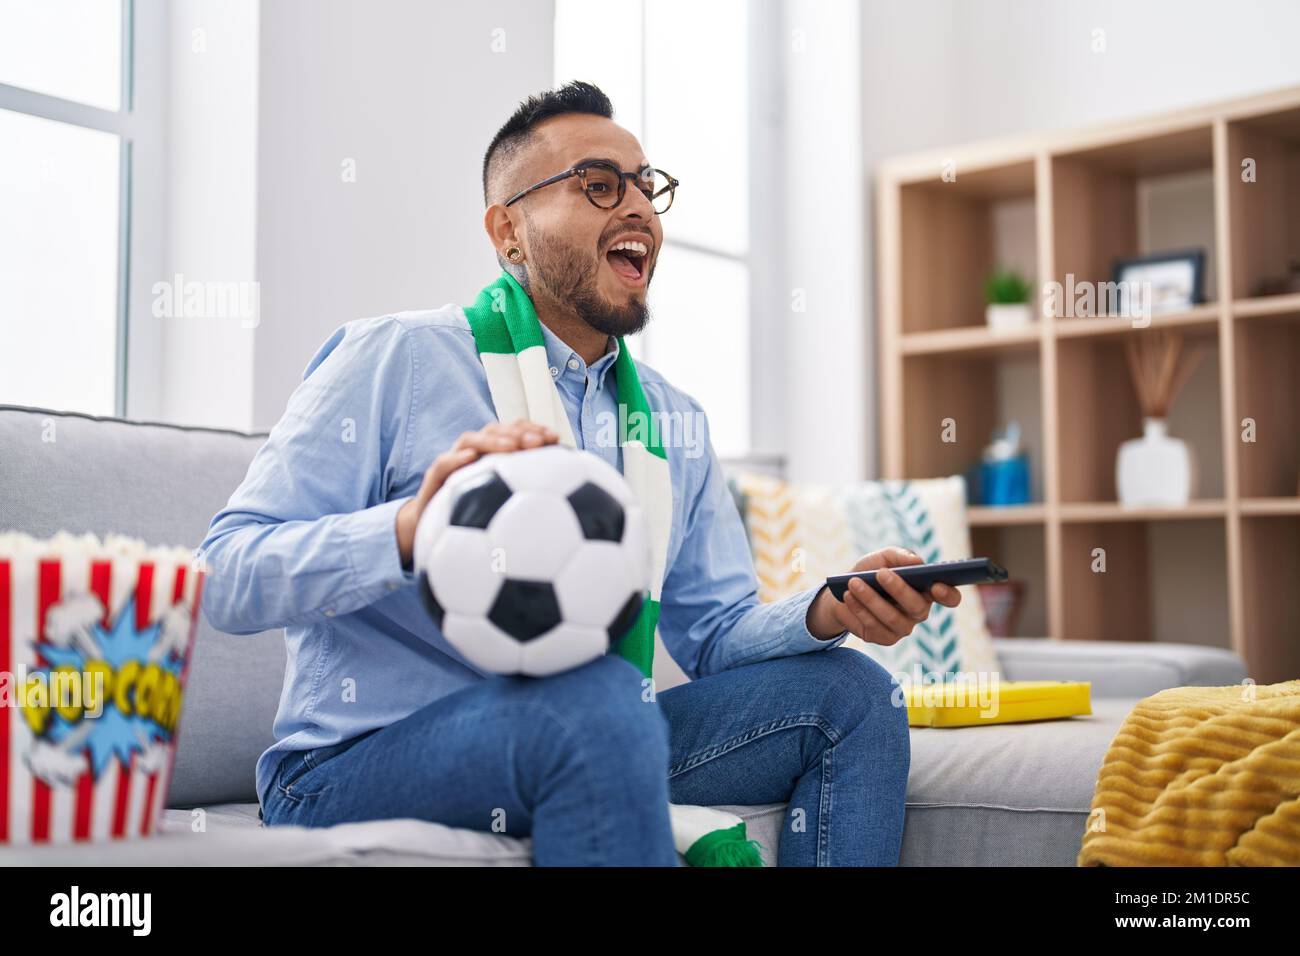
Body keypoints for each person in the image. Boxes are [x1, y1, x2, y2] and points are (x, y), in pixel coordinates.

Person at [196, 80, 961, 866]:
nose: (639, 210)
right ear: (509, 231)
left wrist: (830, 609)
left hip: (589, 720)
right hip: (352, 768)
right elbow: (222, 574)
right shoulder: (396, 358)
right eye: (599, 185)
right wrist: (405, 531)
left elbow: (716, 635)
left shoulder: (672, 421)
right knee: (593, 703)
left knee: (858, 696)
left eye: (647, 187)